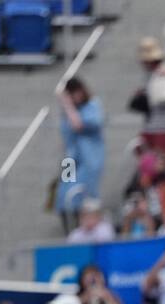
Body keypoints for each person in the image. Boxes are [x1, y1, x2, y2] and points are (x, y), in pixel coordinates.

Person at [54, 77, 105, 231]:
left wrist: (67, 104)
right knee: (63, 195)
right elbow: (66, 136)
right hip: (70, 160)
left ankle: (87, 228)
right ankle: (70, 230)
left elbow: (78, 125)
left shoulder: (92, 106)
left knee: (83, 195)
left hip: (89, 159)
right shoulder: (67, 113)